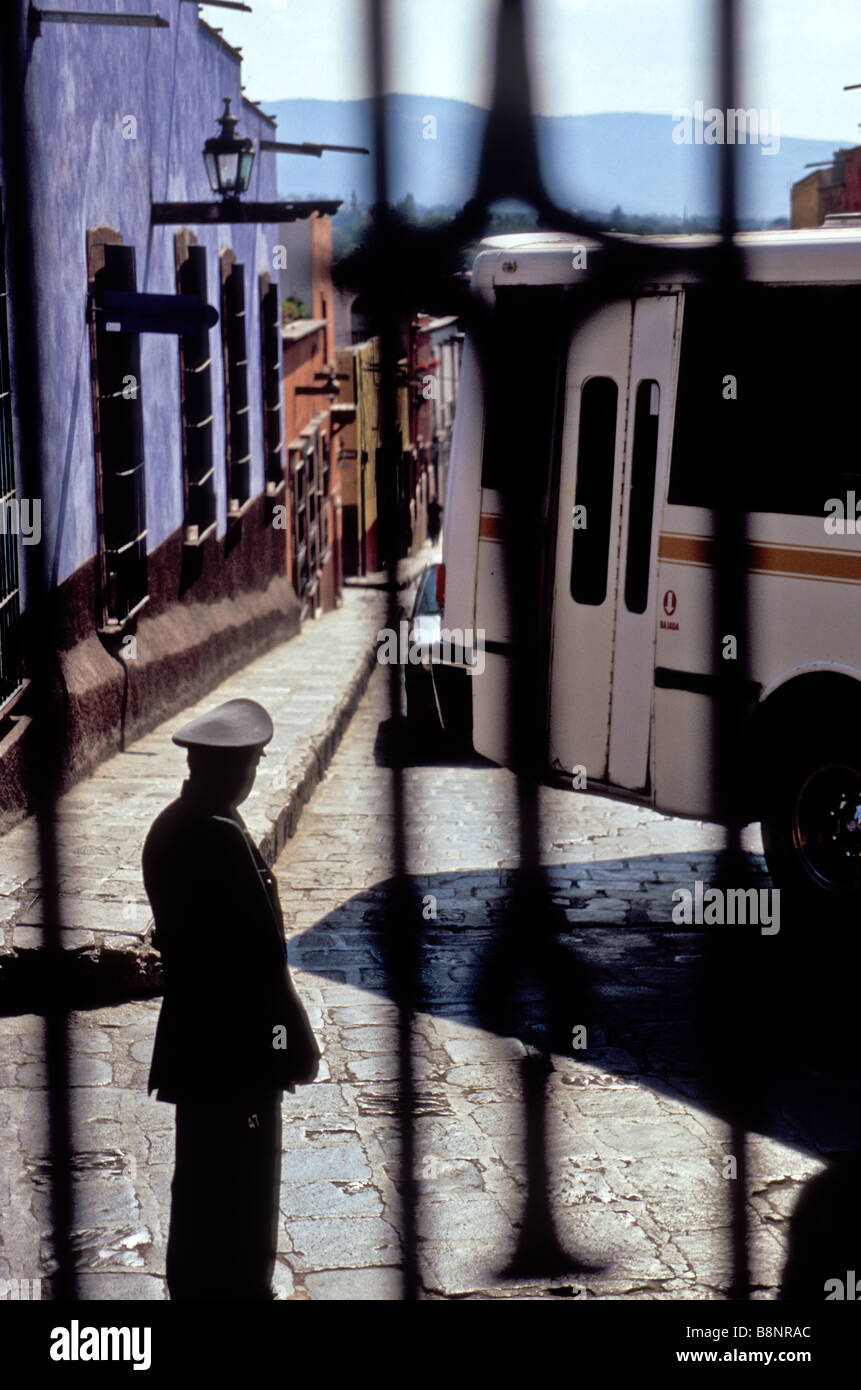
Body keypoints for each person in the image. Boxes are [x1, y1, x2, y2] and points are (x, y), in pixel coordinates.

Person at [142, 697, 320, 1301]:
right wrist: (294, 1038)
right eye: (252, 763)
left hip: (197, 1036)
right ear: (233, 768)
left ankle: (196, 1283)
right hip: (237, 1044)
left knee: (202, 1171)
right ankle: (236, 1287)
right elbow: (261, 956)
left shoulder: (173, 823)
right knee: (243, 1176)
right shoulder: (217, 835)